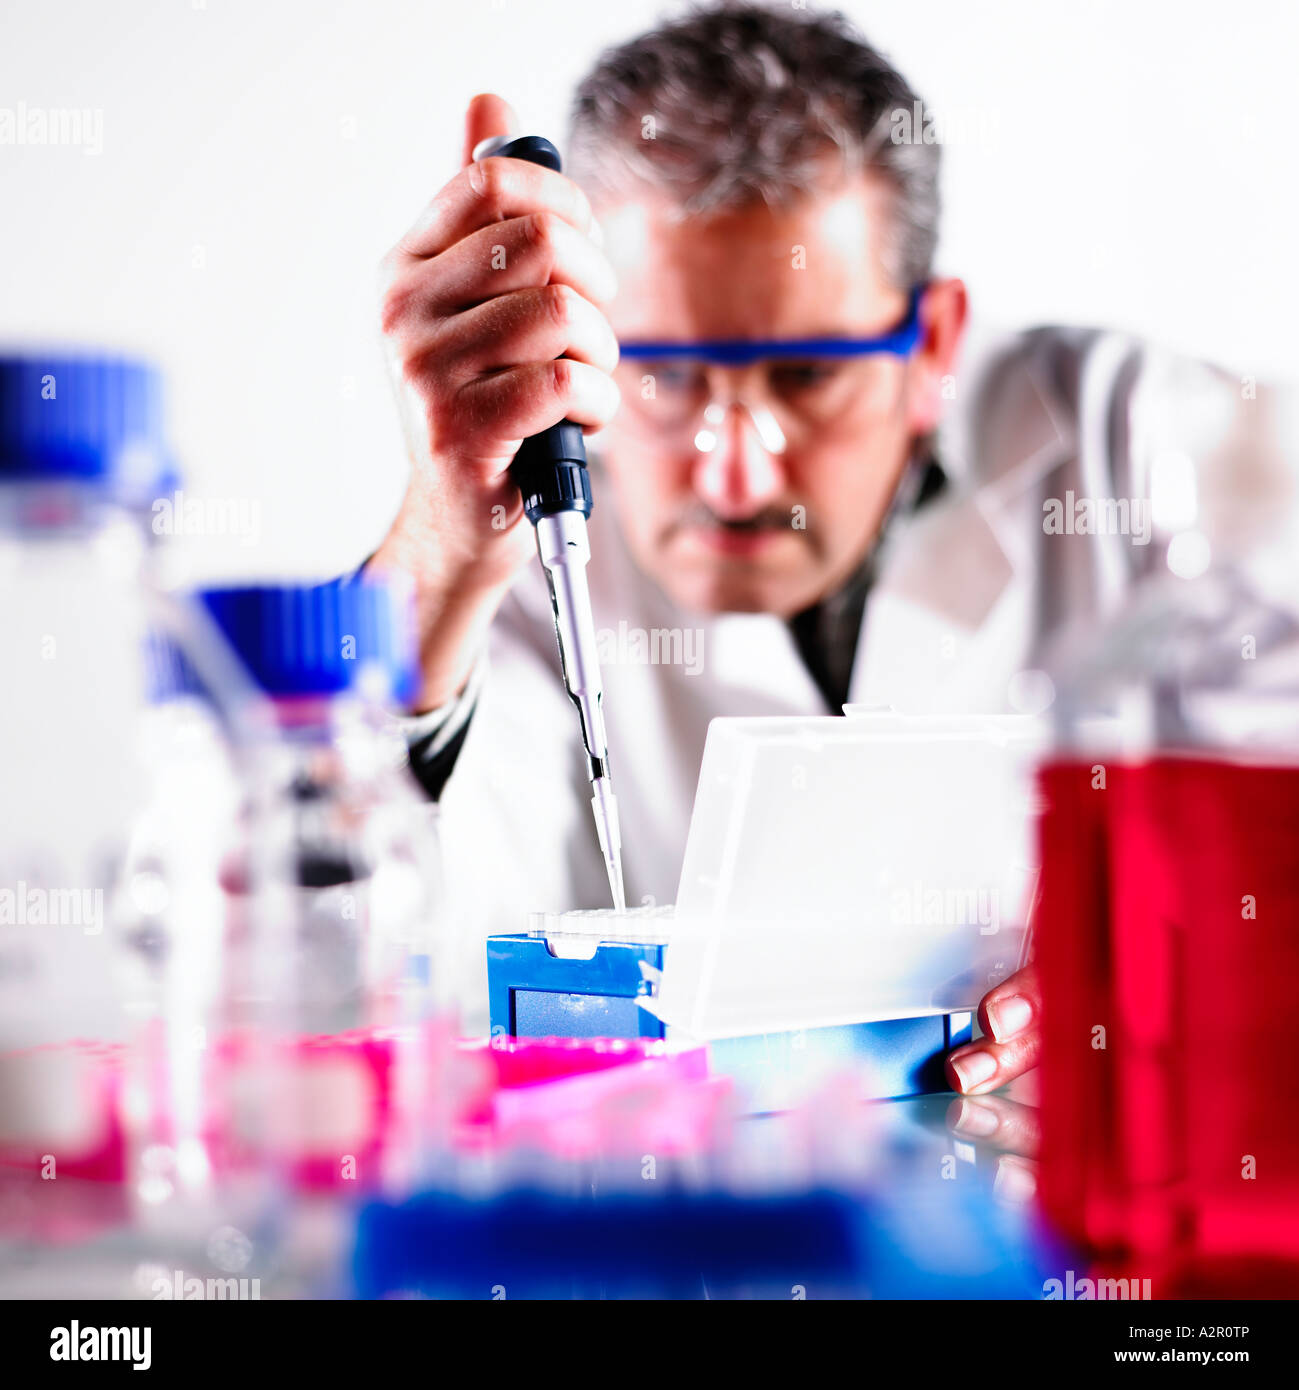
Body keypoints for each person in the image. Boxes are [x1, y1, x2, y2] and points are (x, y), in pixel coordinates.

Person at [365, 3, 1270, 1085]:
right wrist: (439, 539)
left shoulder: (1132, 445)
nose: (735, 472)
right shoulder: (531, 555)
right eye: (663, 372)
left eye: (805, 374)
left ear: (930, 344)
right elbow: (333, 966)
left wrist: (1197, 936)